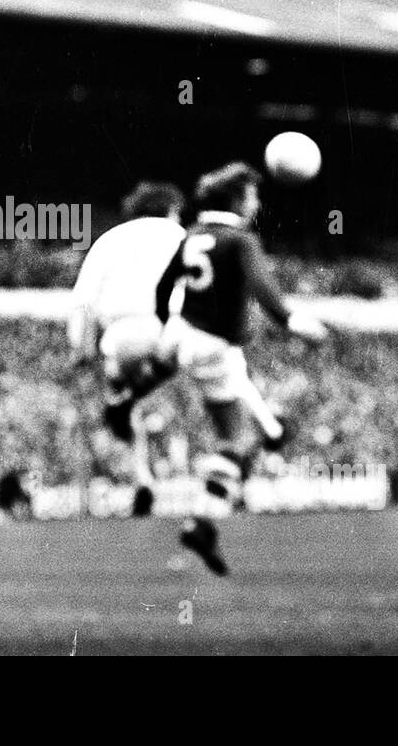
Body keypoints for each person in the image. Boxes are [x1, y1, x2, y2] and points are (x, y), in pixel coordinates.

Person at [155, 162, 328, 574]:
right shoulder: (239, 239)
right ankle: (201, 520)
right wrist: (291, 321)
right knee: (238, 441)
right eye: (253, 195)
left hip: (194, 342)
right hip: (216, 346)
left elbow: (163, 289)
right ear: (238, 198)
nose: (257, 202)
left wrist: (172, 326)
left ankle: (210, 514)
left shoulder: (194, 235)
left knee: (254, 435)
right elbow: (261, 285)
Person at [68, 181, 187, 507]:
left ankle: (142, 477)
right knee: (206, 390)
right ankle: (227, 483)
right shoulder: (179, 235)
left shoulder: (109, 239)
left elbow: (84, 301)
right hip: (169, 331)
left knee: (129, 409)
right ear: (171, 210)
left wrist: (80, 348)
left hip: (119, 338)